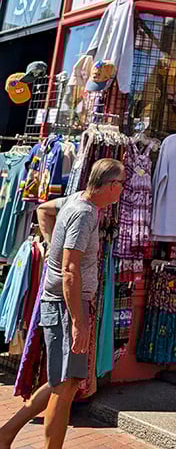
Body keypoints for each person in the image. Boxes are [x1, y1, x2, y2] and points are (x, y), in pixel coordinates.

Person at [0, 158, 126, 449]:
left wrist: (48, 246)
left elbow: (44, 210)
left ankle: (7, 433)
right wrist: (79, 321)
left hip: (63, 302)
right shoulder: (84, 213)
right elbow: (70, 270)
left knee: (62, 381)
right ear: (109, 185)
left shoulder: (75, 200)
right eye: (121, 184)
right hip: (67, 304)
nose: (122, 190)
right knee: (66, 386)